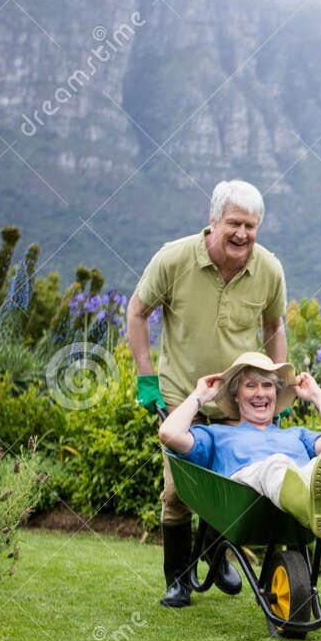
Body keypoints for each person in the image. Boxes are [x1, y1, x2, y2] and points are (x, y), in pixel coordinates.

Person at [127, 179, 285, 607]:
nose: (242, 234)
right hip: (183, 396)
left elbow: (274, 328)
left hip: (238, 398)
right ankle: (178, 577)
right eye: (234, 223)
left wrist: (277, 389)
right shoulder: (175, 259)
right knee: (179, 488)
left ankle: (217, 560)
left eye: (250, 226)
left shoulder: (268, 270)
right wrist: (146, 380)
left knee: (231, 480)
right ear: (213, 221)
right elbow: (137, 312)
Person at [158, 352, 321, 573]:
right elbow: (168, 433)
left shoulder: (297, 434)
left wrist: (317, 395)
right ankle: (315, 510)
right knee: (276, 464)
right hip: (247, 496)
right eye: (250, 385)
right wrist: (200, 395)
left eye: (267, 385)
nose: (260, 393)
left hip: (297, 492)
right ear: (235, 395)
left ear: (276, 392)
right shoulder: (216, 435)